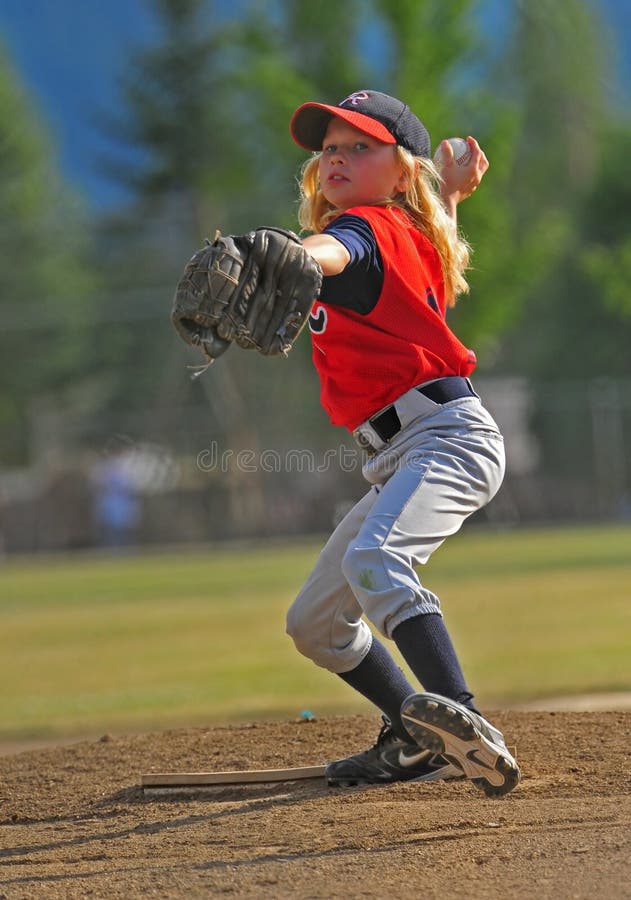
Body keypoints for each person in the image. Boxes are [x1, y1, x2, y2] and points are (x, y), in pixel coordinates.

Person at [285, 90, 520, 797]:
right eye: (330, 147)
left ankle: (469, 726)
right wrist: (449, 192)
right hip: (405, 452)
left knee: (376, 558)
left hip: (446, 438)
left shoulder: (362, 232)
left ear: (398, 171)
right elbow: (426, 233)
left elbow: (336, 247)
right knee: (315, 625)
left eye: (360, 146)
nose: (336, 157)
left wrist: (295, 255)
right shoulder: (408, 235)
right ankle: (417, 738)